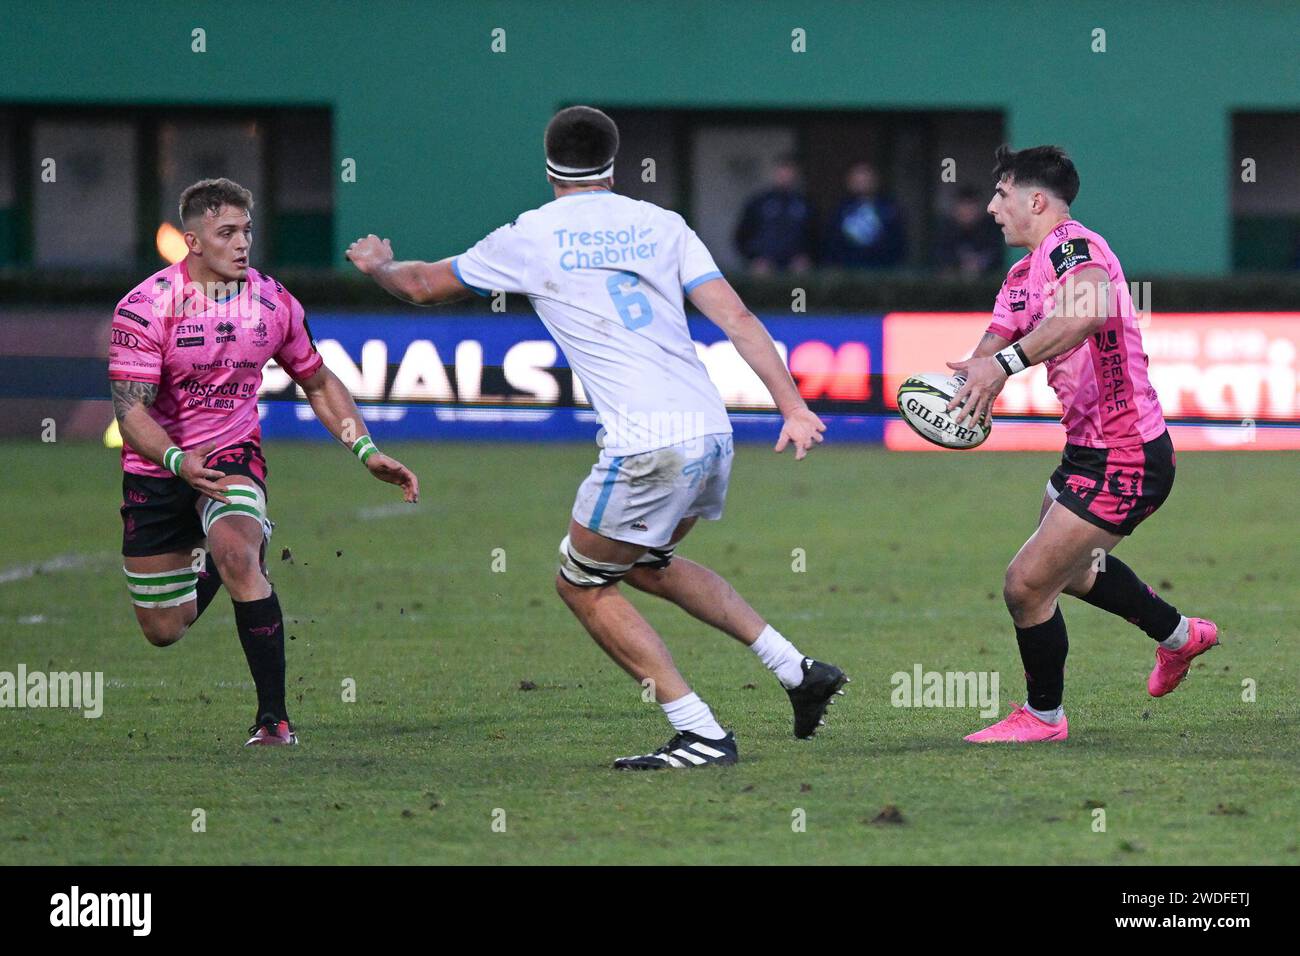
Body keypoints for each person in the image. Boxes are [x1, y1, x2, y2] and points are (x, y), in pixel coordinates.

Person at [346, 106, 847, 770]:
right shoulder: (661, 224)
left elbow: (422, 285)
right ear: (613, 161)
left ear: (548, 163)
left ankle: (698, 731)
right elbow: (738, 316)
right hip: (709, 431)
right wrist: (792, 406)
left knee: (580, 583)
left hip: (647, 444)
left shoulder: (532, 234)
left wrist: (379, 265)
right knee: (645, 563)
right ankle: (797, 670)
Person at [109, 178, 419, 747]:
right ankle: (222, 563)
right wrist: (177, 459)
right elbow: (131, 413)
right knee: (163, 628)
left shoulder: (273, 302)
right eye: (226, 232)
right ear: (193, 242)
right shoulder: (146, 307)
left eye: (246, 230)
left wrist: (365, 449)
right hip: (159, 468)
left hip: (232, 456)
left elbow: (318, 381)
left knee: (235, 552)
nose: (242, 243)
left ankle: (273, 720)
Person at [946, 145, 1219, 743]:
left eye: (1001, 193)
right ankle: (1180, 636)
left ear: (1035, 200)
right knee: (1071, 570)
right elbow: (989, 349)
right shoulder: (1022, 275)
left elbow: (1089, 308)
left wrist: (1006, 365)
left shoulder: (1076, 248)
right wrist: (958, 383)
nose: (992, 207)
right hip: (1086, 451)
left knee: (1026, 584)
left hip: (1127, 453)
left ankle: (1044, 717)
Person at [733, 155, 816, 274]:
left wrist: (807, 257)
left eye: (789, 171)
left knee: (798, 292)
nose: (785, 175)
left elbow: (815, 235)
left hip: (797, 269)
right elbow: (742, 235)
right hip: (764, 268)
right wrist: (754, 258)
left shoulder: (805, 203)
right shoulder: (758, 202)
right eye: (782, 171)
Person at [821, 161, 907, 268]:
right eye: (858, 179)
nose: (862, 182)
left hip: (882, 271)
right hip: (847, 271)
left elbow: (897, 241)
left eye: (866, 178)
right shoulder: (839, 210)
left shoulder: (889, 209)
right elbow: (832, 241)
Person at [932, 186, 1005, 276]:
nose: (967, 212)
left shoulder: (991, 229)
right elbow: (940, 257)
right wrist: (961, 262)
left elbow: (996, 255)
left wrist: (979, 263)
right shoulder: (946, 230)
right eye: (963, 206)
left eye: (971, 206)